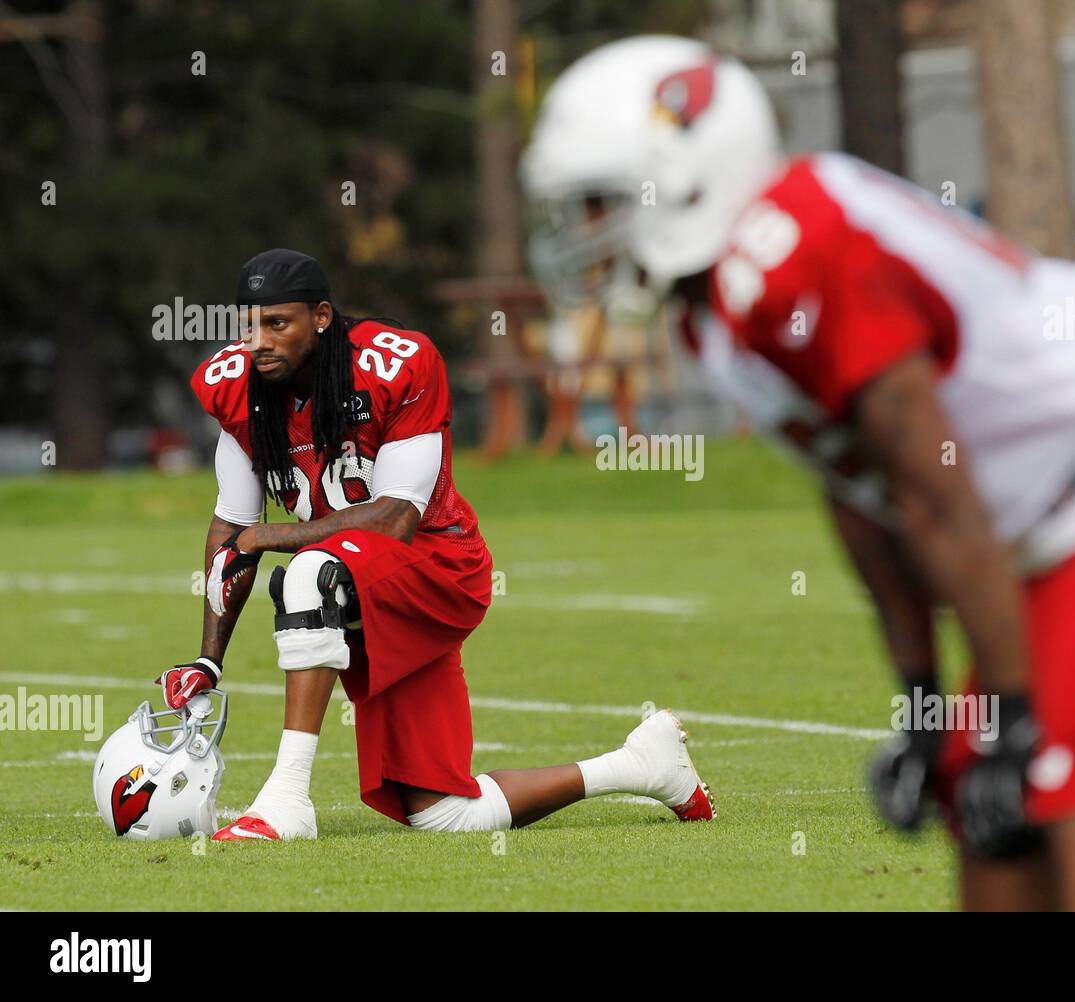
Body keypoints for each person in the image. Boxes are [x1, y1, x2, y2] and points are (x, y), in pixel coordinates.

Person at [523, 36, 1075, 909]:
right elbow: (866, 498)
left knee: (1058, 764)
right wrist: (925, 699)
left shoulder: (800, 252)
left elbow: (937, 488)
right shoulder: (721, 311)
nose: (581, 230)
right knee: (977, 781)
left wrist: (1008, 700)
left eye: (599, 201)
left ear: (694, 174)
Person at [160, 247, 714, 841]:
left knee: (307, 573)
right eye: (249, 324)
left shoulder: (394, 363)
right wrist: (208, 659)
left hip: (436, 567)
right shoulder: (236, 388)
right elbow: (230, 531)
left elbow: (397, 517)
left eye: (277, 323)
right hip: (359, 584)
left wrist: (271, 537)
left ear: (321, 316)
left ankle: (286, 801)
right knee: (446, 813)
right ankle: (644, 765)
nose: (259, 340)